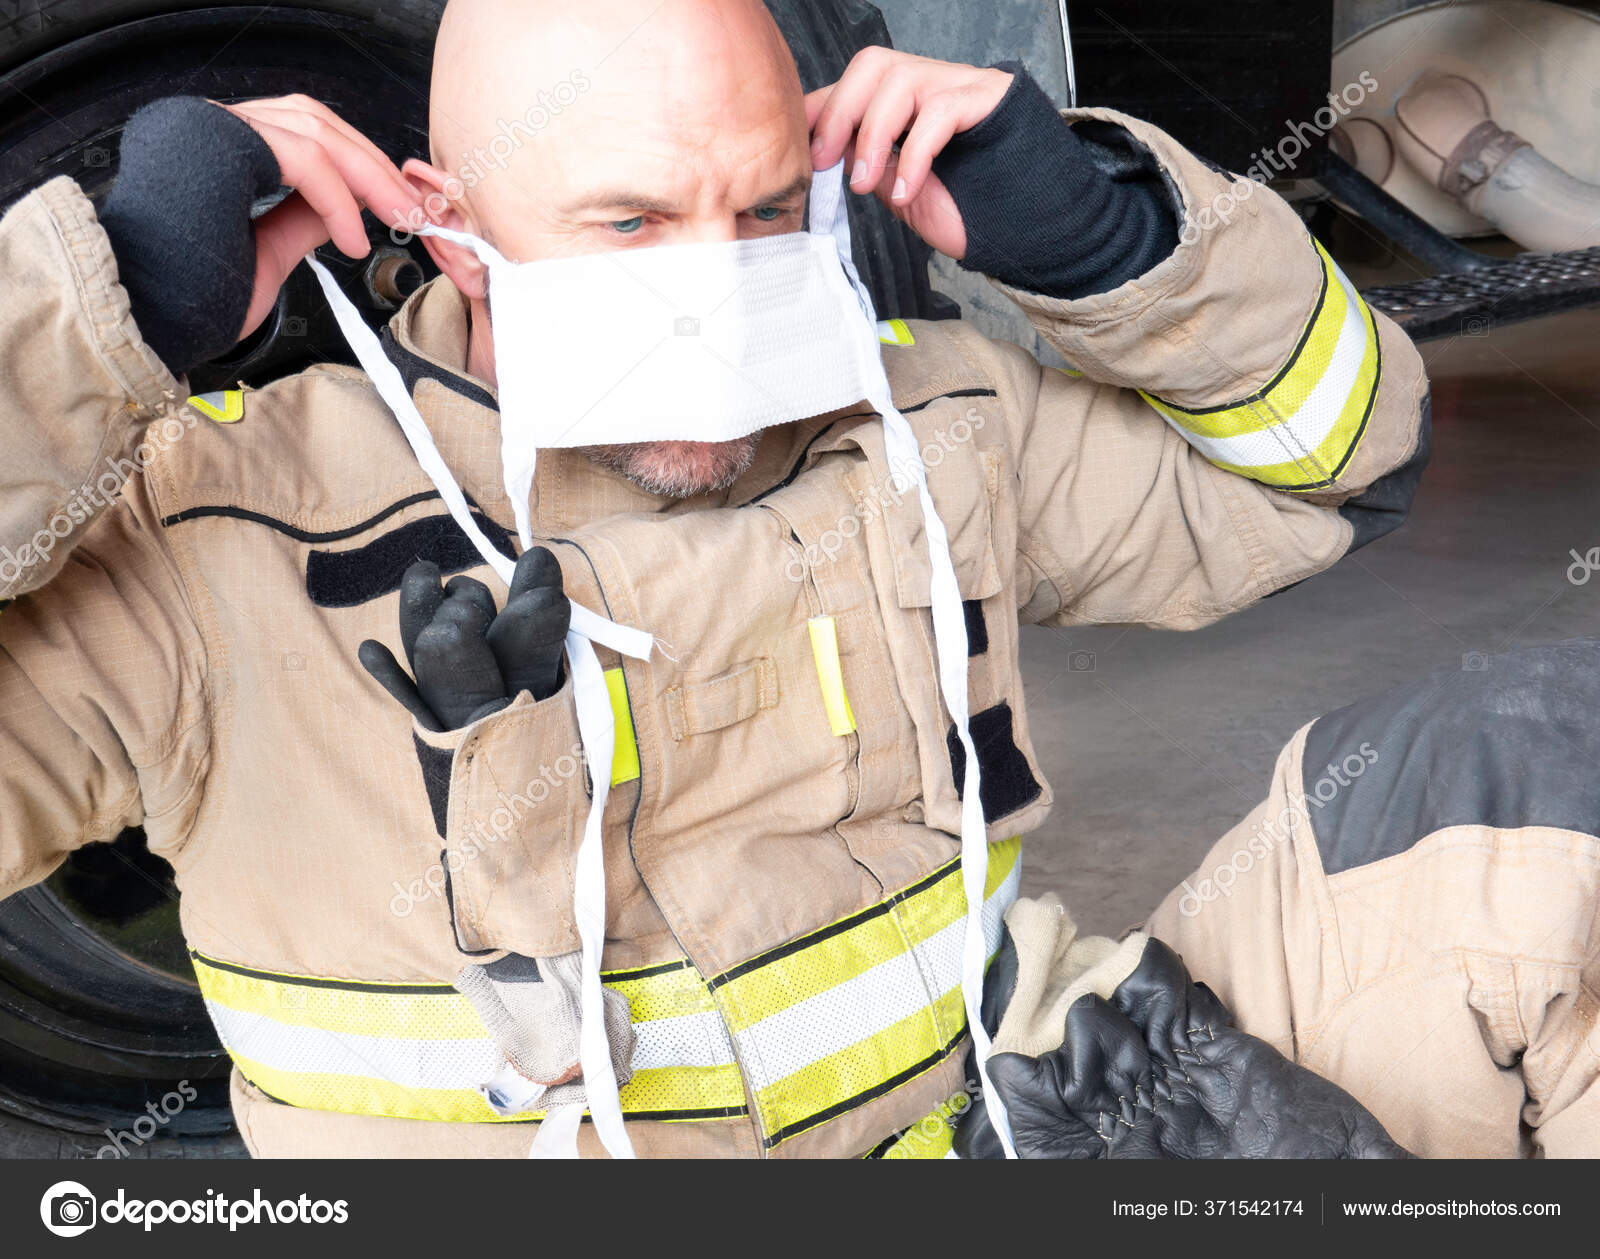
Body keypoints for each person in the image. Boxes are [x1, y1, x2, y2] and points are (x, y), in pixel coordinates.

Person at [0, 0, 1429, 1157]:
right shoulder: (221, 528)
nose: (719, 281)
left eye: (759, 210)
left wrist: (1118, 247)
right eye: (628, 223)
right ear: (451, 231)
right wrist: (92, 323)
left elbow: (1325, 469)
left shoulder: (930, 419)